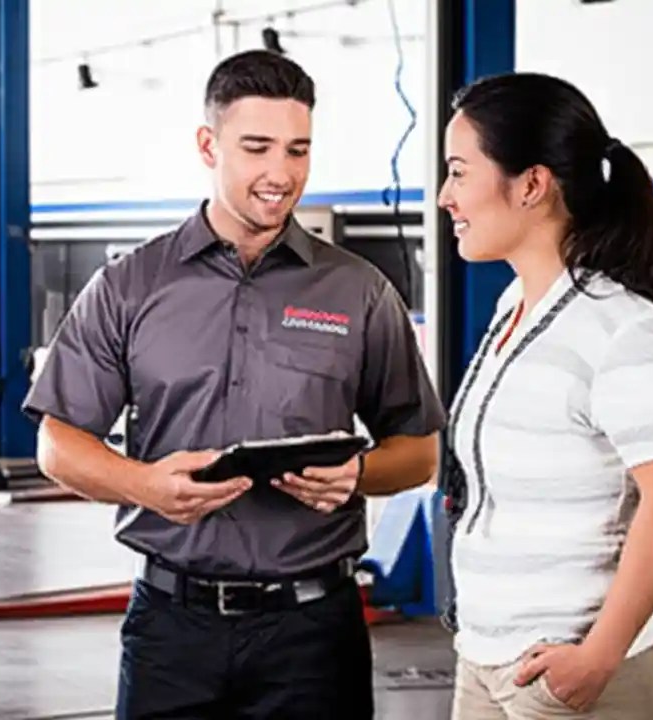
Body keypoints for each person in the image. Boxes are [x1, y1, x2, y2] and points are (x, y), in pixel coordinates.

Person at [24, 49, 445, 719]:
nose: (281, 174)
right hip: (171, 630)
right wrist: (144, 486)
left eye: (298, 150)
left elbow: (420, 452)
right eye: (257, 148)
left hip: (314, 637)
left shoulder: (359, 291)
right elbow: (57, 442)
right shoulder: (131, 285)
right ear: (207, 145)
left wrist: (357, 474)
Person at [437, 72, 653, 719]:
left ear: (531, 184)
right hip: (487, 656)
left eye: (458, 172)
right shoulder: (514, 309)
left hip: (572, 667)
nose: (446, 197)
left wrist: (598, 658)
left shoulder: (626, 332)